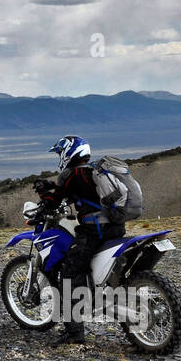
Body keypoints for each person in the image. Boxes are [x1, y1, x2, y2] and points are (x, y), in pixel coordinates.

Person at [35, 135, 125, 345]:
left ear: (69, 152)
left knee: (69, 270)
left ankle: (74, 332)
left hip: (95, 230)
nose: (60, 157)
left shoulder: (71, 173)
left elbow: (53, 201)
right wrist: (53, 185)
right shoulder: (95, 170)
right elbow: (77, 192)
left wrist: (42, 192)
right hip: (116, 228)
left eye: (61, 152)